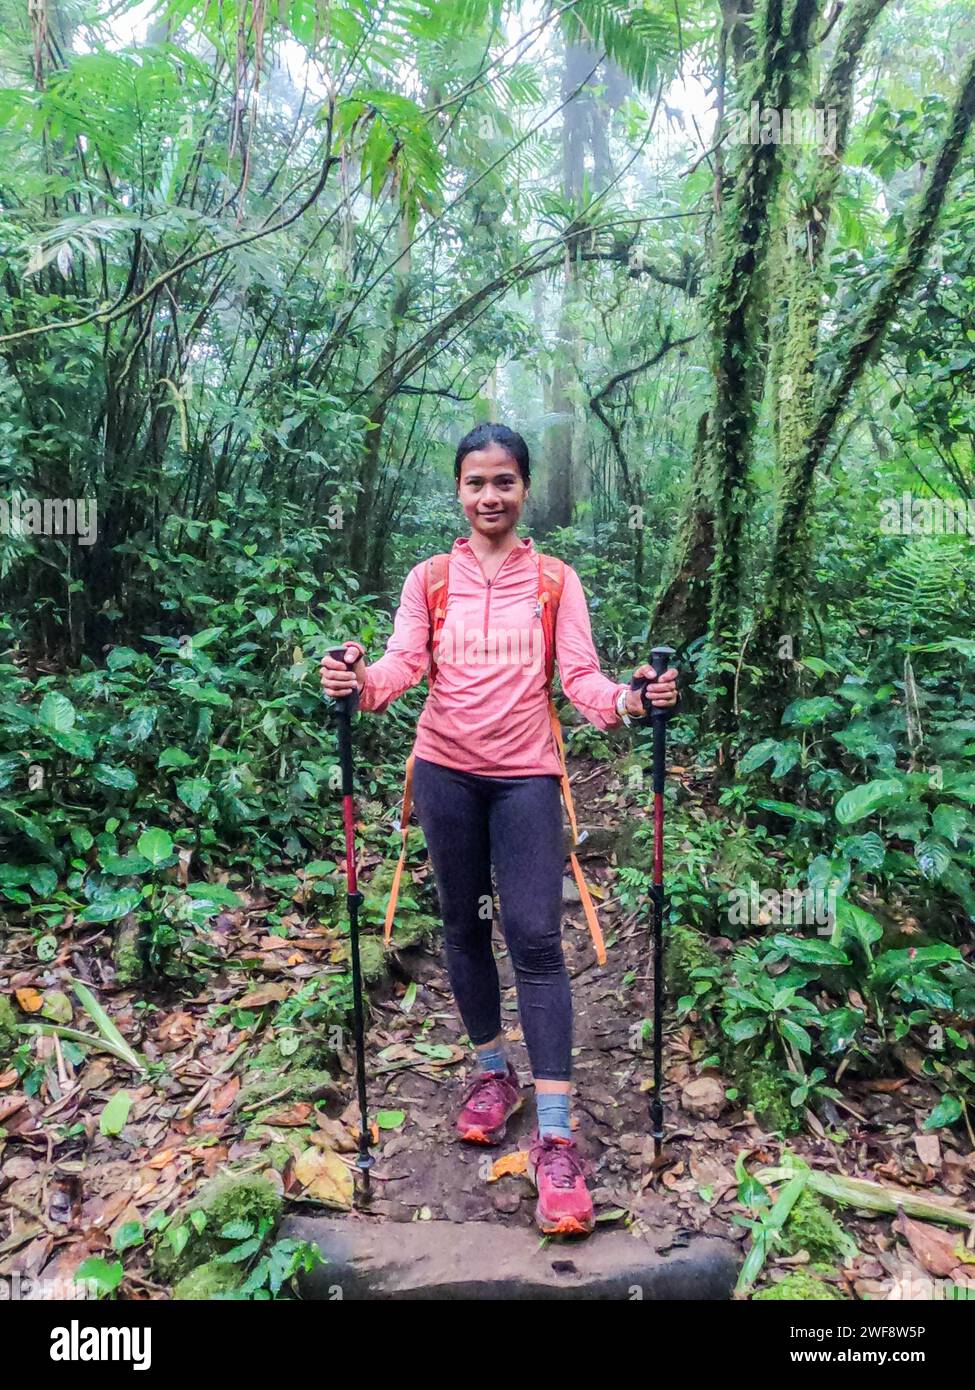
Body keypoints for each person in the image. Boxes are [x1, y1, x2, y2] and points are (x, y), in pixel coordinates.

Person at [321, 422, 678, 1235]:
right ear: (458, 490)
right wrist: (353, 679)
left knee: (533, 935)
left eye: (505, 482)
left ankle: (557, 1139)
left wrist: (632, 700)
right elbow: (399, 668)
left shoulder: (554, 581)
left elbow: (581, 678)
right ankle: (492, 1073)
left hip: (525, 776)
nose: (490, 496)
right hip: (444, 771)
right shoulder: (431, 579)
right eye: (476, 482)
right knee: (460, 928)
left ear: (523, 490)